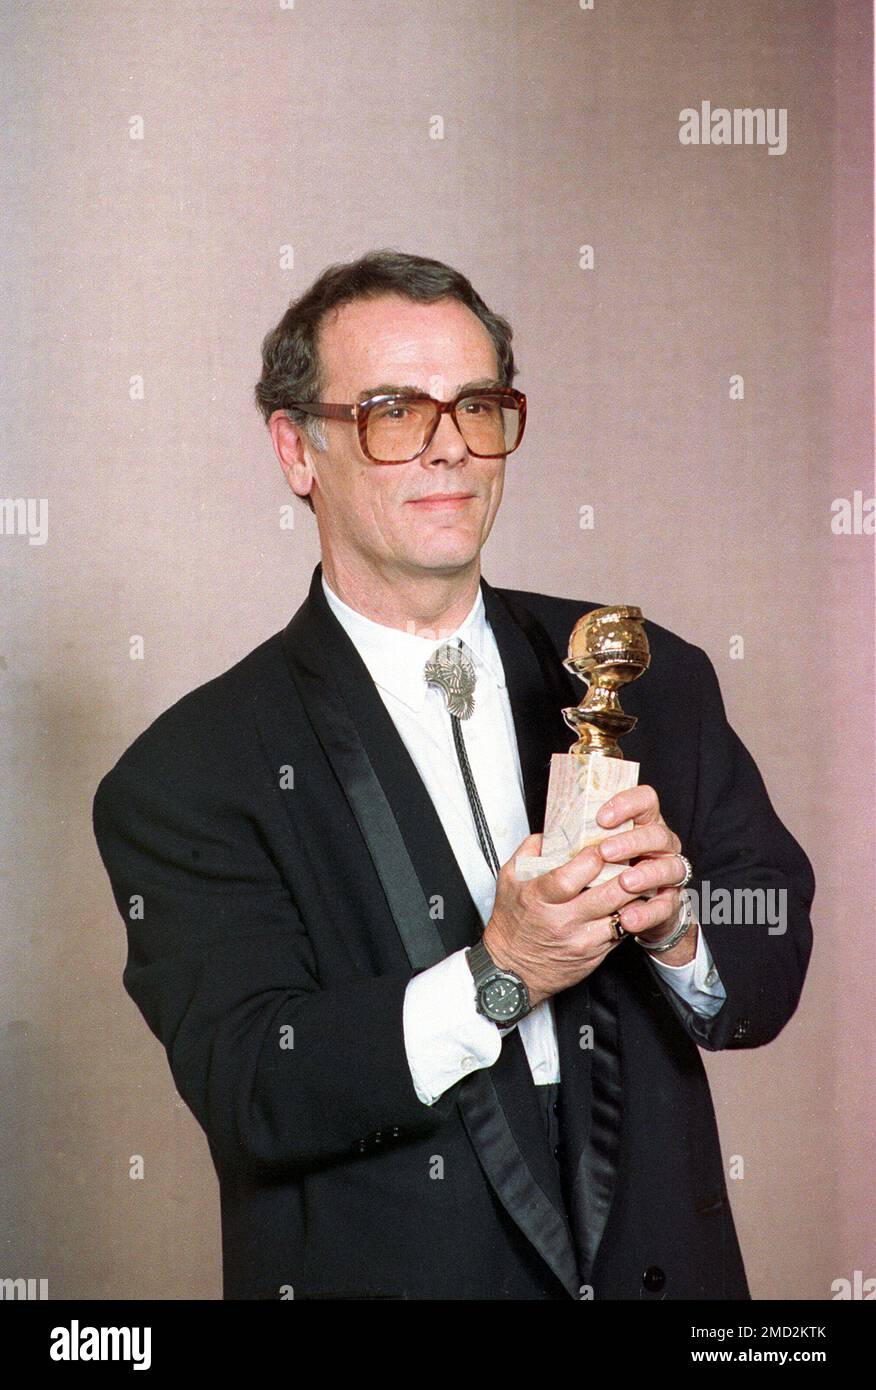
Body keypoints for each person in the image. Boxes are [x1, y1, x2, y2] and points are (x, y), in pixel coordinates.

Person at [92, 249, 814, 1301]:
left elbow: (768, 964)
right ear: (297, 449)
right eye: (394, 412)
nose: (450, 451)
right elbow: (256, 1086)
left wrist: (679, 928)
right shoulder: (188, 773)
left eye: (478, 406)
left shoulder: (652, 675)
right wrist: (498, 972)